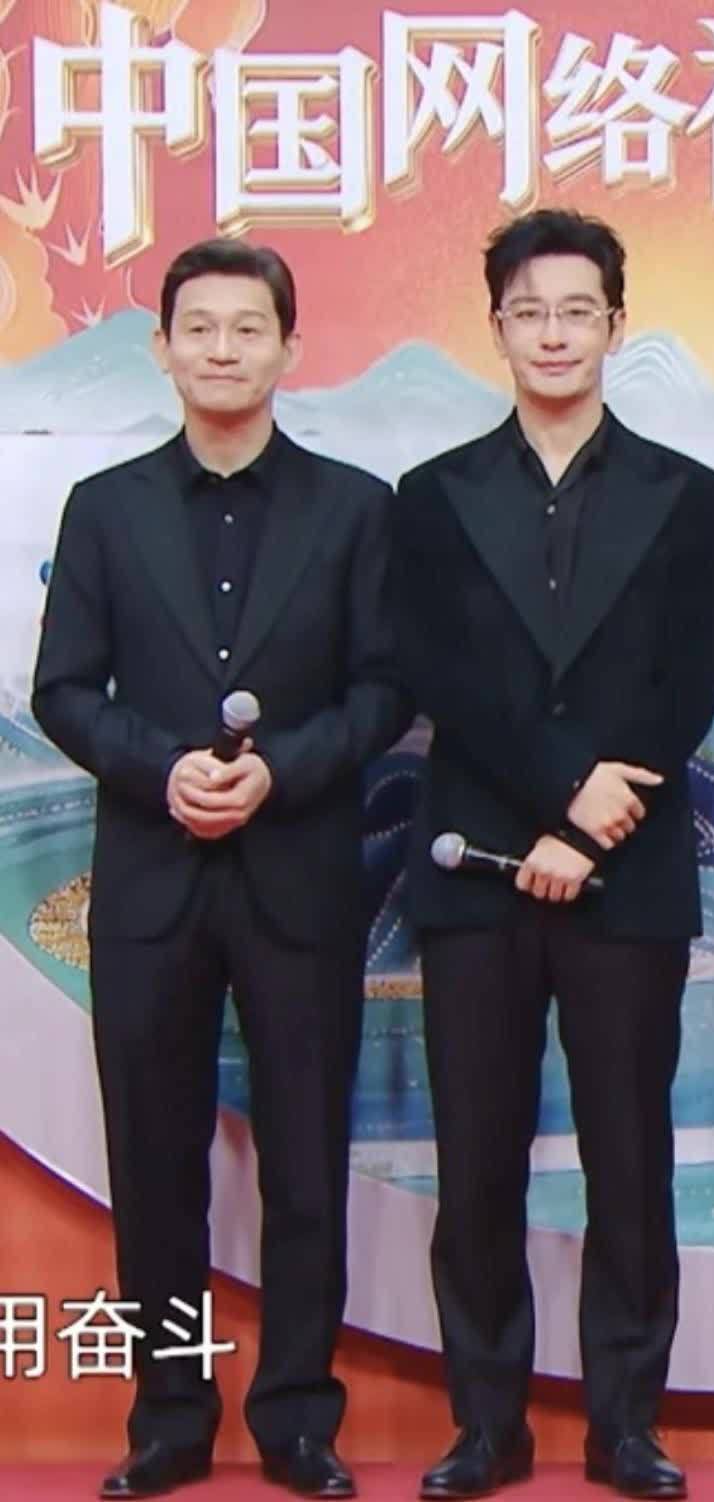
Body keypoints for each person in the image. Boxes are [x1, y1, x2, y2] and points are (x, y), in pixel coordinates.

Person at [32, 239, 411, 1500]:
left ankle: (298, 1418)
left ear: (289, 349)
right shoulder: (104, 507)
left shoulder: (357, 507)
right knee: (155, 1163)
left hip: (300, 873)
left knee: (305, 1159)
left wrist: (278, 770)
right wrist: (165, 770)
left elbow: (386, 688)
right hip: (152, 879)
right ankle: (169, 1417)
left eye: (249, 328)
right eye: (198, 327)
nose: (223, 349)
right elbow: (63, 690)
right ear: (161, 348)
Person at [391, 209, 714, 1501]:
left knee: (627, 1157)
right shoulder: (432, 496)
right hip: (475, 864)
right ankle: (486, 1423)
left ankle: (625, 1422)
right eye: (528, 311)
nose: (551, 333)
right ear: (496, 326)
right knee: (476, 1157)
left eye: (576, 310)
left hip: (627, 872)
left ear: (614, 325)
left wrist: (590, 820)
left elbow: (685, 677)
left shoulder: (685, 492)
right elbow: (436, 669)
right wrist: (556, 794)